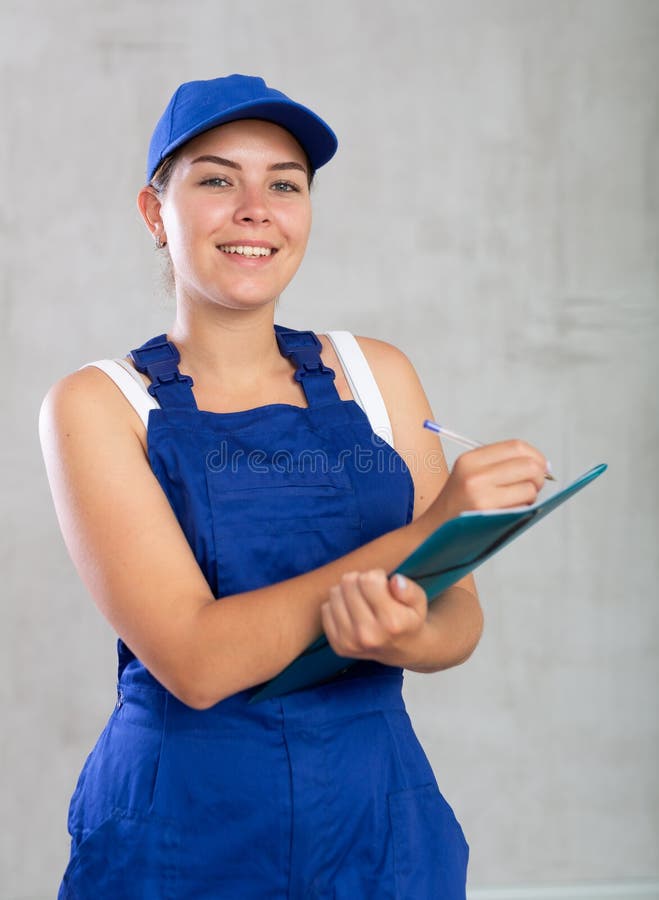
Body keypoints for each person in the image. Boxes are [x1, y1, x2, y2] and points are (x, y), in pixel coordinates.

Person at [39, 74, 548, 899]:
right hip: (184, 830)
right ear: (152, 212)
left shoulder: (378, 376)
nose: (255, 208)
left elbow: (457, 622)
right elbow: (197, 662)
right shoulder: (99, 405)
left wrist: (397, 637)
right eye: (215, 180)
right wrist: (432, 528)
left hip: (377, 818)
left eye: (284, 183)